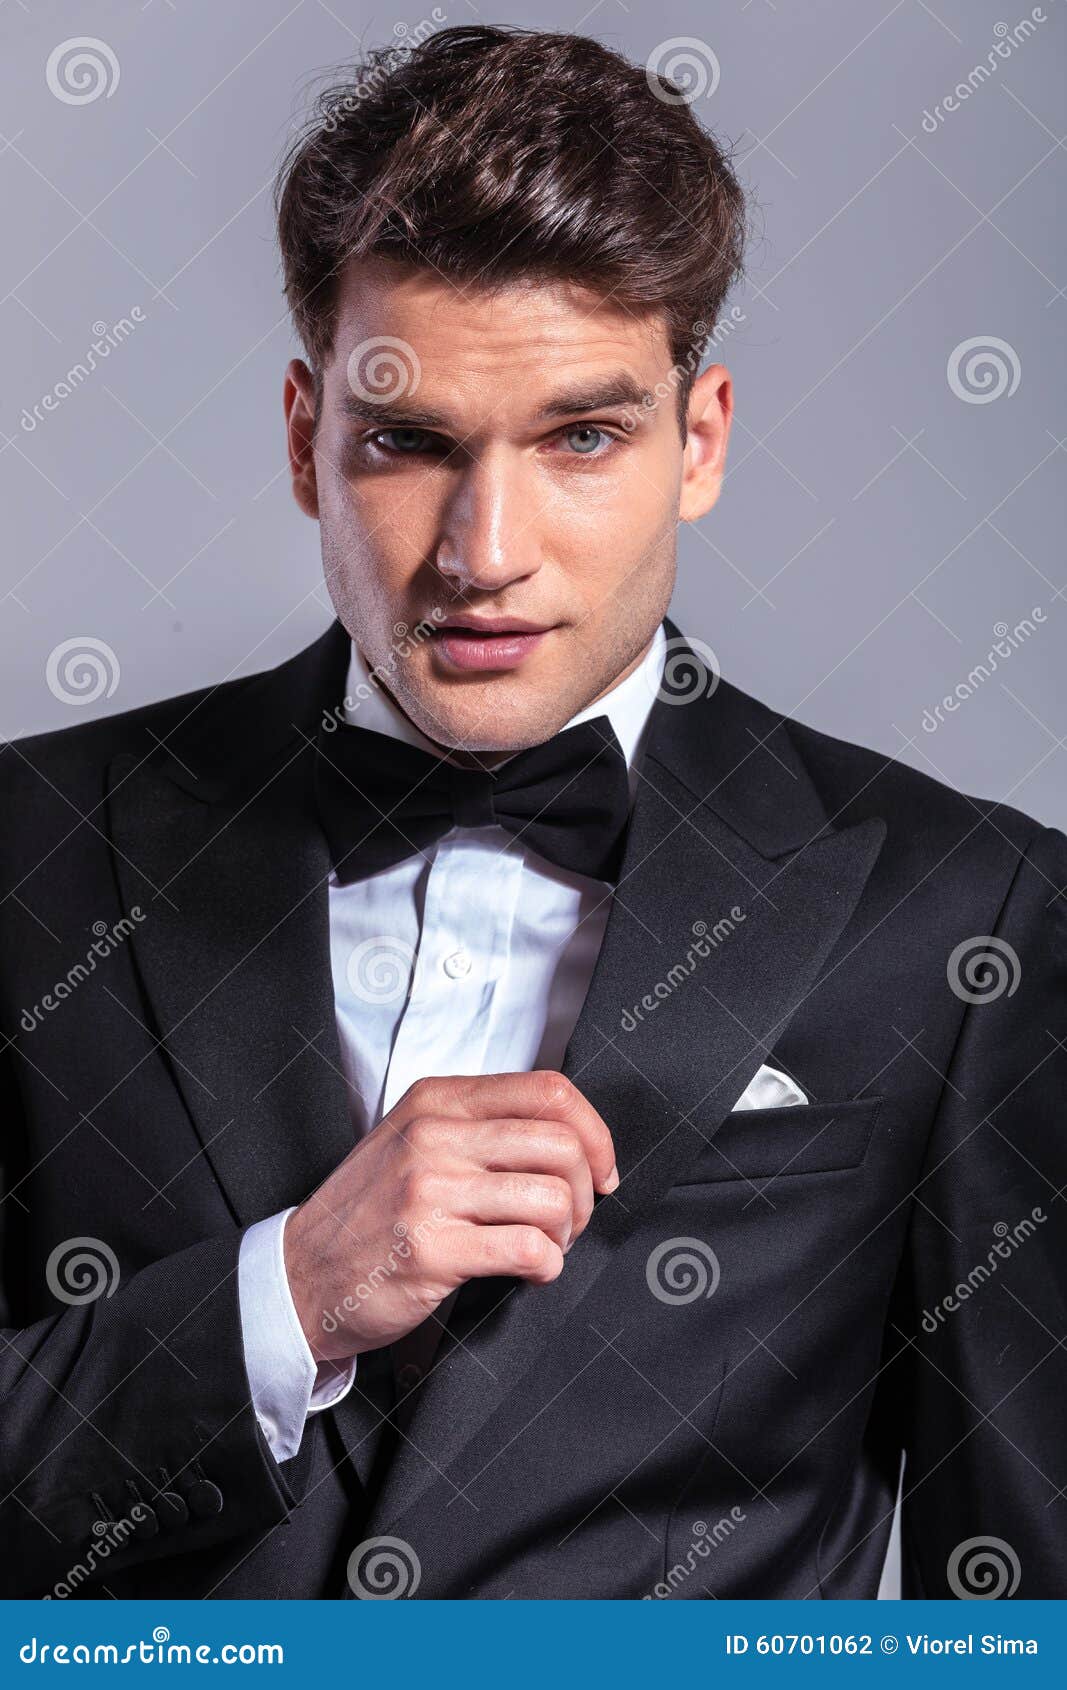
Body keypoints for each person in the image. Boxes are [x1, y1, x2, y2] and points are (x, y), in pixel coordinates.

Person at [1, 24, 1063, 1601]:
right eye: (411, 442)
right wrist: (283, 1296)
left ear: (696, 442)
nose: (485, 549)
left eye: (581, 436)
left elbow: (1019, 1601)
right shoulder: (31, 850)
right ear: (308, 440)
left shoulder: (964, 909)